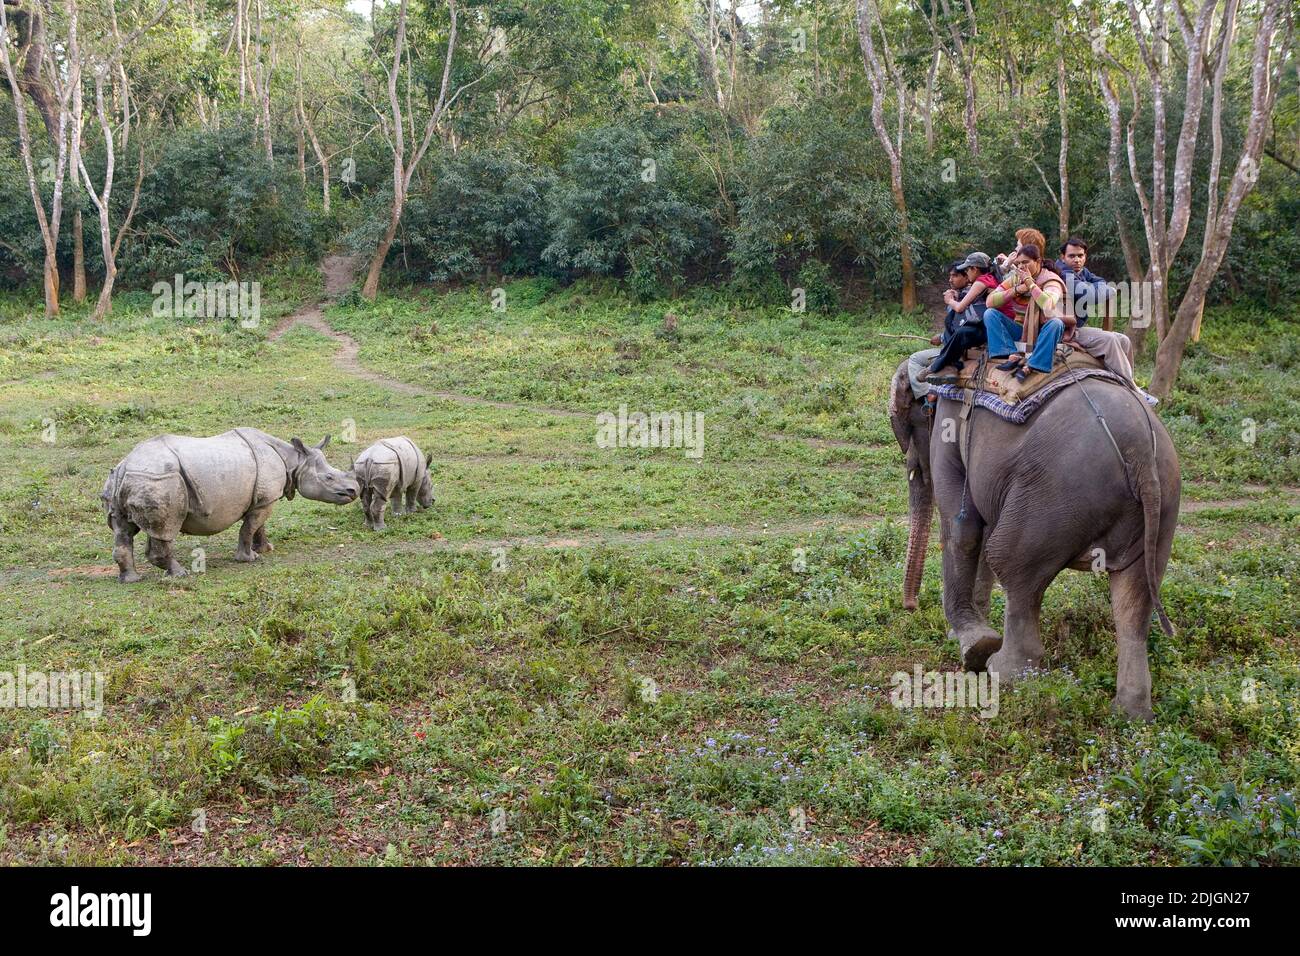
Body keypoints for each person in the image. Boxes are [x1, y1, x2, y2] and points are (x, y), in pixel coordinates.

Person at [1056, 237, 1137, 385]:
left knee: (1124, 340)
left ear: (1085, 256)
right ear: (1062, 257)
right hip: (1064, 330)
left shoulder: (1082, 272)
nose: (1077, 260)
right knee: (1110, 339)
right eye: (1071, 256)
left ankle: (1123, 381)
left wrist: (1098, 288)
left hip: (1077, 327)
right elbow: (1089, 296)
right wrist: (1105, 290)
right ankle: (1130, 387)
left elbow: (1100, 282)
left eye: (1080, 256)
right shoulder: (1062, 273)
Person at [983, 244, 1069, 381]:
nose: (1022, 267)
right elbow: (989, 301)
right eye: (1019, 263)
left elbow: (1048, 304)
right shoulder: (1016, 279)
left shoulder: (1051, 279)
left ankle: (1033, 365)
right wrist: (1017, 289)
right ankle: (1011, 353)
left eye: (1026, 262)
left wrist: (1030, 283)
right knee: (990, 314)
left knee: (1056, 323)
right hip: (1021, 331)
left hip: (1043, 333)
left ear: (1038, 262)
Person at [924, 252, 999, 380]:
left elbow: (959, 307)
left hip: (989, 329)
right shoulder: (989, 278)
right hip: (985, 325)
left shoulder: (981, 282)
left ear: (974, 269)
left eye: (967, 270)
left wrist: (949, 300)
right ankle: (950, 365)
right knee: (952, 321)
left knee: (956, 323)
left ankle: (936, 366)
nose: (967, 273)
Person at [905, 261, 970, 399]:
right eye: (950, 276)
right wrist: (941, 337)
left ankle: (928, 395)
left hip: (954, 350)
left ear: (967, 276)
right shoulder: (964, 295)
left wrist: (941, 338)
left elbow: (959, 327)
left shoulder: (963, 299)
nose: (950, 279)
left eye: (955, 276)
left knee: (915, 359)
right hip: (954, 344)